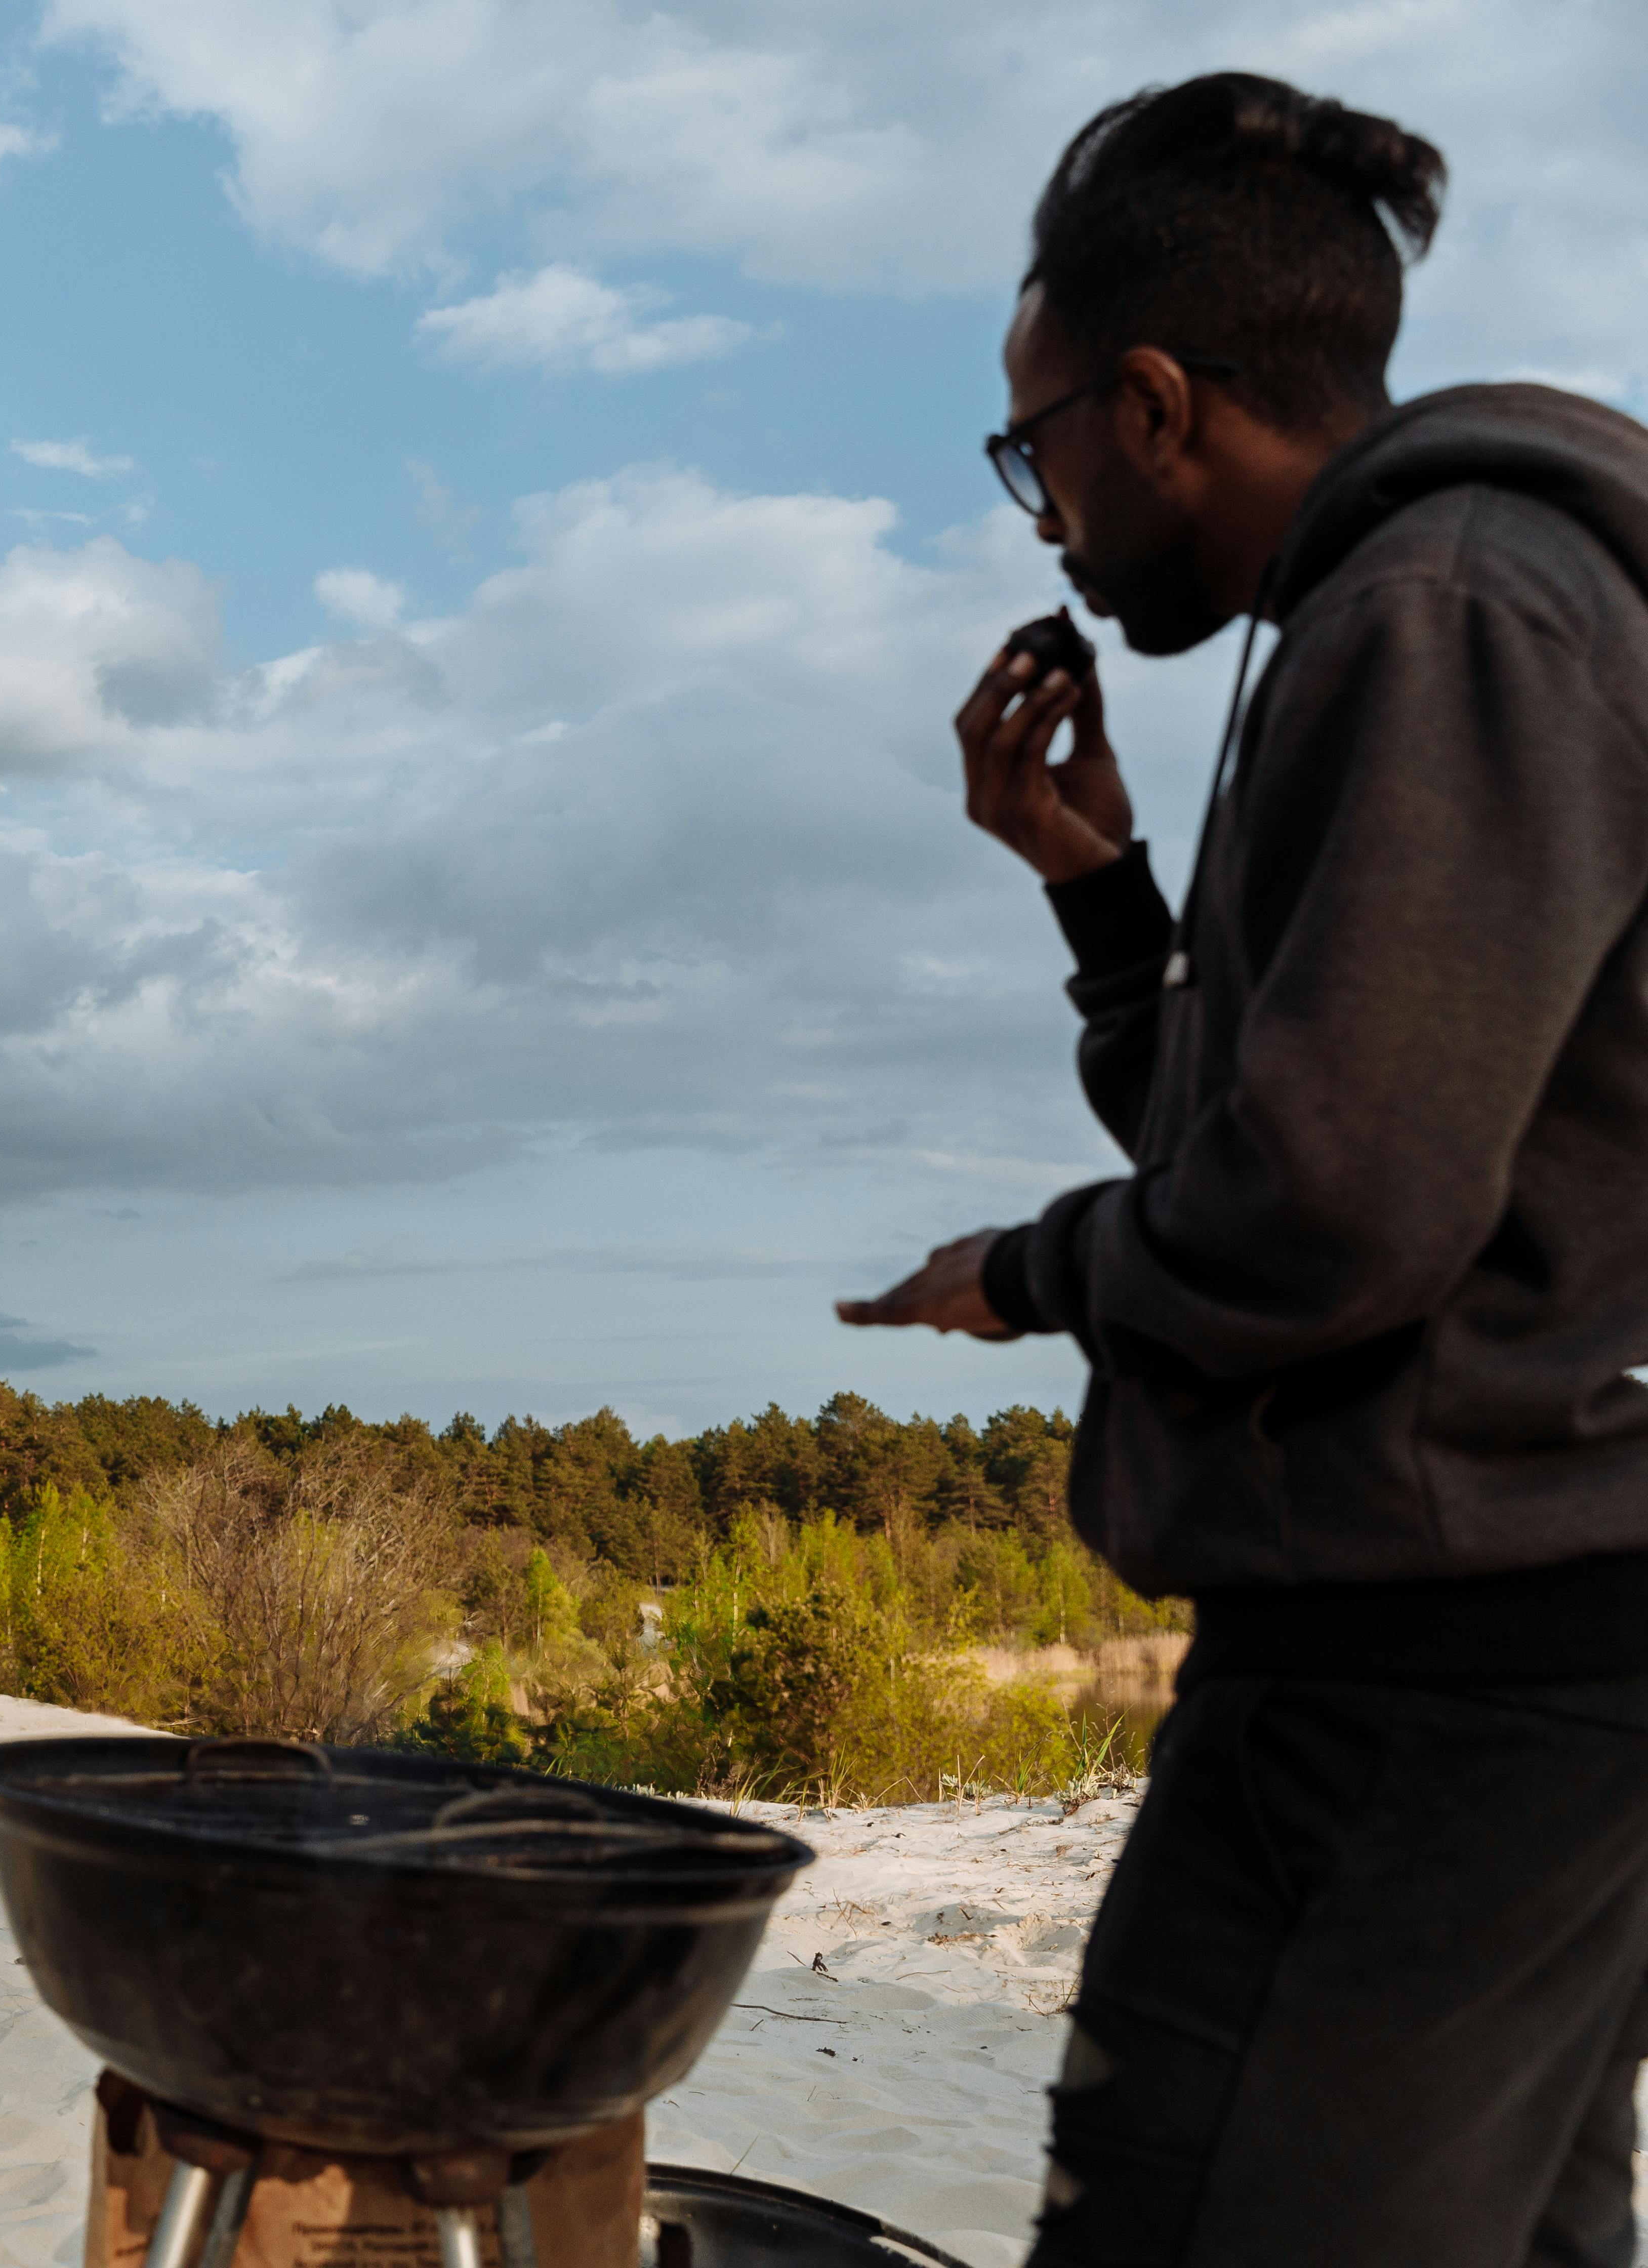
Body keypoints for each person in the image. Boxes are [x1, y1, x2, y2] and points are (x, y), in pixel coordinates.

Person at [840, 74, 1648, 2262]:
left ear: (1159, 402)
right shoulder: (1401, 609)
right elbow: (1301, 1116)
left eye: (1041, 451)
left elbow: (1338, 1207)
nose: (1046, 523)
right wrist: (1102, 891)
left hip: (1433, 1671)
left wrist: (1030, 1270)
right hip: (1490, 1632)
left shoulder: (1457, 605)